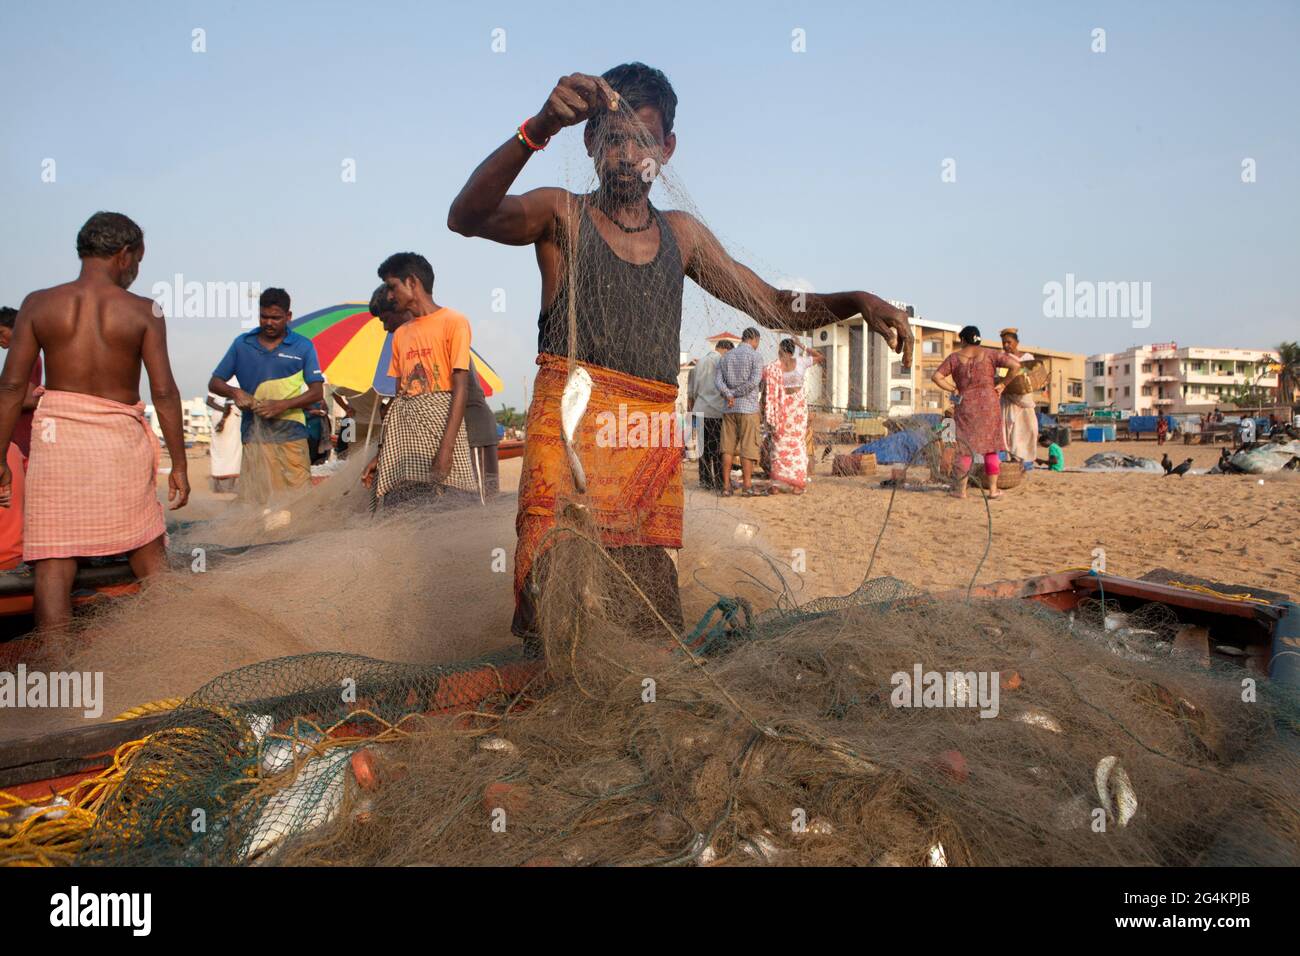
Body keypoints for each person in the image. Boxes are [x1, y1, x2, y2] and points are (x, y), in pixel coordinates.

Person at [447, 63, 912, 641]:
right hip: (566, 437)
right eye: (613, 139)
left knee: (648, 609)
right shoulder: (560, 213)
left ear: (666, 149)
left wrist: (855, 299)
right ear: (590, 141)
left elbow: (769, 304)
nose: (626, 155)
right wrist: (538, 127)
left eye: (642, 141)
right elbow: (466, 217)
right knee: (555, 597)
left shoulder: (682, 235)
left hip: (645, 439)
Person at [0, 211, 189, 631]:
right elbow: (164, 393)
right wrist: (179, 463)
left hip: (57, 441)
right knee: (146, 546)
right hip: (118, 443)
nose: (137, 272)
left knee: (53, 558)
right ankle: (173, 640)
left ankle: (57, 664)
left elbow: (11, 389)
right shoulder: (144, 311)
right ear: (125, 255)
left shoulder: (38, 303)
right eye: (138, 261)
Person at [360, 255, 477, 509]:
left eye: (392, 287)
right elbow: (399, 399)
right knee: (403, 505)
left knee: (452, 504)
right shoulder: (400, 334)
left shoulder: (454, 322)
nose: (389, 296)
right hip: (406, 441)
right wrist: (382, 455)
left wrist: (446, 450)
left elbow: (460, 389)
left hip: (443, 432)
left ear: (412, 282)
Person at [209, 288, 323, 503]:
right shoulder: (242, 344)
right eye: (264, 316)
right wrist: (235, 392)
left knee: (298, 500)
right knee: (258, 500)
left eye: (276, 318)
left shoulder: (303, 346)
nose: (269, 322)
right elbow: (215, 382)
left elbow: (317, 391)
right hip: (254, 436)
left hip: (293, 435)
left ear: (288, 317)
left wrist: (283, 405)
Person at [931, 325, 1020, 499]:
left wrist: (954, 388)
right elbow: (1016, 365)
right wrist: (1003, 384)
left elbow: (936, 377)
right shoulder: (990, 354)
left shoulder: (955, 358)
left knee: (964, 449)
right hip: (990, 404)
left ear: (963, 340)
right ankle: (993, 490)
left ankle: (960, 490)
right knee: (991, 448)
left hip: (966, 405)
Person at [763, 337, 822, 494]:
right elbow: (820, 356)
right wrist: (802, 345)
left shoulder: (772, 367)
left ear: (780, 350)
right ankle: (797, 484)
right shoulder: (801, 362)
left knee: (778, 444)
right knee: (797, 444)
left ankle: (776, 483)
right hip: (797, 409)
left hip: (781, 408)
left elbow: (764, 386)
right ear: (793, 350)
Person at [717, 328, 765, 496]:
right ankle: (747, 486)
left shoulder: (726, 357)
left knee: (727, 448)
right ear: (754, 339)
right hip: (748, 408)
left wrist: (729, 394)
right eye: (757, 342)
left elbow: (718, 381)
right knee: (748, 447)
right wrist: (736, 394)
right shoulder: (756, 357)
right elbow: (754, 382)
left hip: (729, 409)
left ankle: (725, 487)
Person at [687, 338, 732, 490]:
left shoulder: (698, 363)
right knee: (718, 448)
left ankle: (705, 481)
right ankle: (719, 481)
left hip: (699, 409)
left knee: (703, 449)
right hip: (717, 411)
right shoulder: (723, 363)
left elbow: (691, 392)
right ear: (725, 350)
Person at [996, 328, 1038, 462]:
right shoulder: (1002, 359)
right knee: (1012, 432)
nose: (1006, 345)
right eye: (1004, 343)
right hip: (1010, 400)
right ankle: (1014, 459)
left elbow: (1032, 375)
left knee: (1030, 429)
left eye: (1009, 342)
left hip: (1025, 400)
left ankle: (1024, 460)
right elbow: (1001, 378)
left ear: (1017, 342)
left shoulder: (1028, 357)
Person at [205, 392, 242, 492]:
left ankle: (217, 486)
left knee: (217, 451)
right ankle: (230, 486)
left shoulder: (215, 381)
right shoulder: (235, 381)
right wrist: (223, 417)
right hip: (230, 416)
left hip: (217, 415)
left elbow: (209, 401)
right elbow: (229, 404)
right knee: (234, 450)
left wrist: (221, 412)